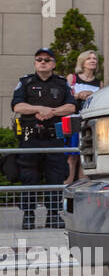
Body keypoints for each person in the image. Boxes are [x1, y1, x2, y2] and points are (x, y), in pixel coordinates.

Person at [11, 49, 75, 229]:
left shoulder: (61, 83)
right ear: (35, 63)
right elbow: (17, 105)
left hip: (54, 136)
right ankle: (28, 215)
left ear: (53, 64)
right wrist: (39, 108)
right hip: (30, 136)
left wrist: (51, 112)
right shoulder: (26, 82)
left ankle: (53, 215)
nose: (43, 62)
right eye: (39, 59)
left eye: (47, 60)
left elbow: (71, 107)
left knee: (55, 176)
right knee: (29, 176)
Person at [64, 49, 101, 184]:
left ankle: (81, 191)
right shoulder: (72, 78)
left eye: (94, 59)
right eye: (89, 58)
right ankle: (65, 196)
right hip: (74, 121)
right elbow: (64, 97)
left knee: (85, 158)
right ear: (82, 62)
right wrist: (78, 95)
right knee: (72, 158)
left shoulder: (99, 83)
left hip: (89, 123)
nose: (92, 61)